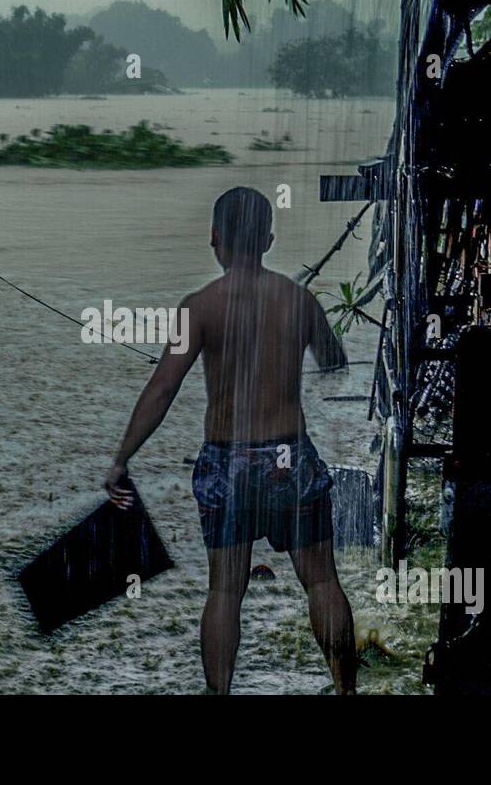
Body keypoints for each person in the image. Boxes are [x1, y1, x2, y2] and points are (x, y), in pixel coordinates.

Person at [104, 186, 357, 694]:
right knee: (322, 581)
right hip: (291, 456)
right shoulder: (299, 298)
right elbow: (334, 362)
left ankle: (219, 693)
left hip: (228, 461)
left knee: (225, 589)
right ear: (267, 238)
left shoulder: (199, 307)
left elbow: (162, 387)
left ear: (215, 239)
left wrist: (121, 460)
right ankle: (346, 690)